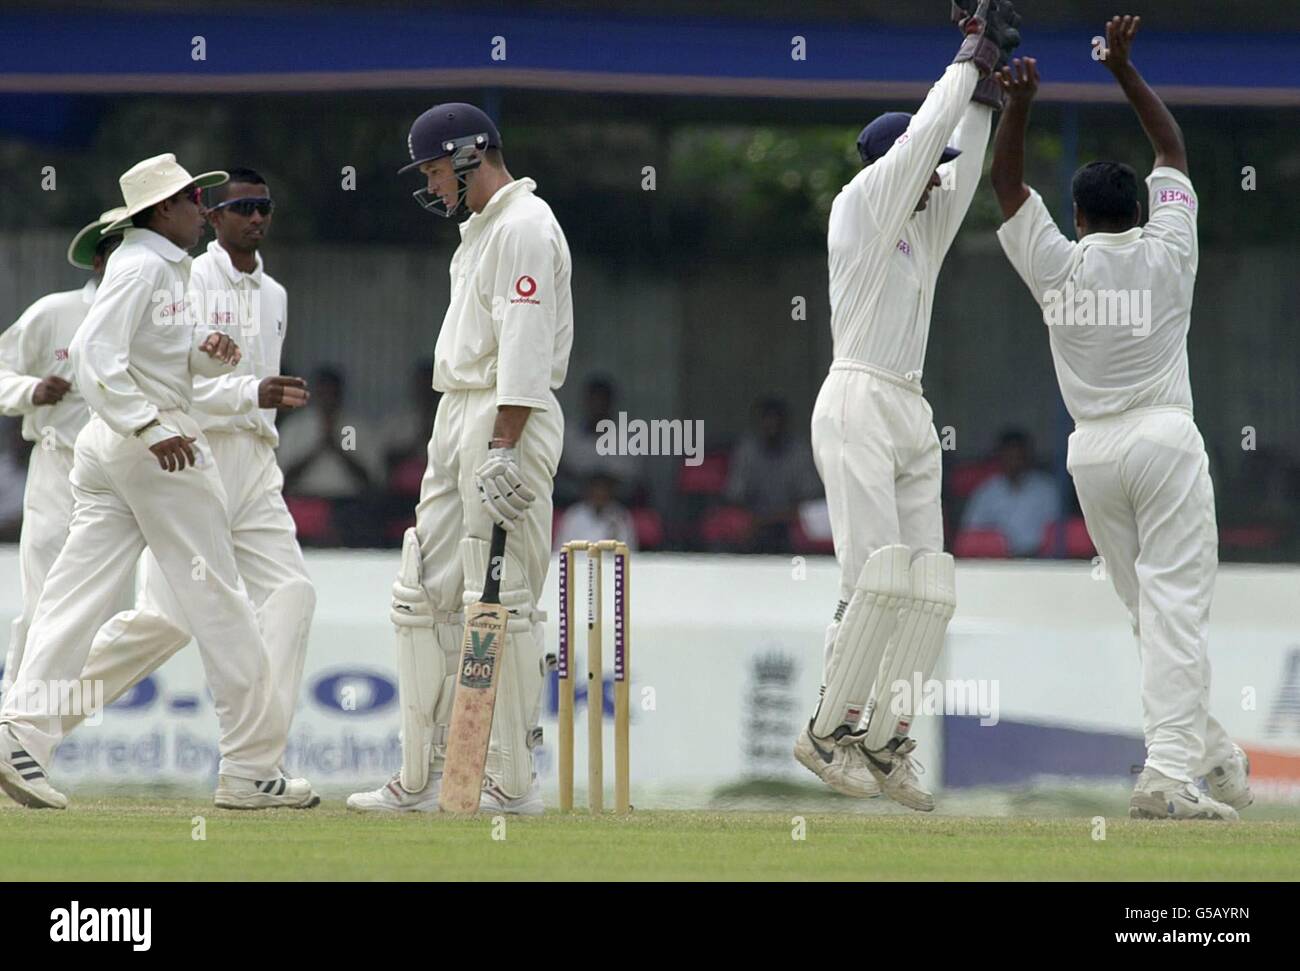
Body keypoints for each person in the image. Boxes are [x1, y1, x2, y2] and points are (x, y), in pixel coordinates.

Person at [990, 16, 1250, 820]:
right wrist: (1124, 70)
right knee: (1172, 611)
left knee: (1152, 614)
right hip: (1164, 437)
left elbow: (1006, 188)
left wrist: (1019, 105)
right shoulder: (1171, 248)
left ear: (1077, 216)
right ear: (1143, 209)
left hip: (1092, 455)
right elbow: (1171, 150)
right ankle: (1170, 774)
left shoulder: (1059, 265)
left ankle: (1210, 754)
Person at [0, 153, 315, 810]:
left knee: (75, 594)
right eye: (195, 202)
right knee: (222, 603)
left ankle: (19, 731)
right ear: (163, 209)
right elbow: (94, 356)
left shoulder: (160, 268)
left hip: (117, 451)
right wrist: (149, 424)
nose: (204, 212)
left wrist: (206, 353)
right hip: (159, 448)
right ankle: (252, 767)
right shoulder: (147, 264)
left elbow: (158, 350)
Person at [793, 1, 1020, 812]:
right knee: (874, 579)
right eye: (929, 165)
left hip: (909, 408)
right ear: (894, 166)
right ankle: (829, 730)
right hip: (855, 394)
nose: (940, 176)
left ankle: (889, 741)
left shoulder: (920, 228)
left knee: (928, 586)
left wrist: (989, 91)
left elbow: (956, 171)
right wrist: (968, 53)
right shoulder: (861, 206)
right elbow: (927, 138)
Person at [348, 102, 572, 815]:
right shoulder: (480, 233)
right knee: (425, 593)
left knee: (502, 596)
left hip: (507, 416)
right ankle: (425, 776)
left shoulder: (526, 227)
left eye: (437, 169)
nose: (433, 185)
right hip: (459, 413)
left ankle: (512, 781)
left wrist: (504, 444)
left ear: (473, 154)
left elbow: (526, 348)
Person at [0, 208, 127, 691]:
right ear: (98, 260)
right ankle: (12, 729)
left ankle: (54, 725)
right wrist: (32, 390)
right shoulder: (53, 313)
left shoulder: (151, 320)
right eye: (120, 252)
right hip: (58, 467)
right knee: (44, 600)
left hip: (122, 476)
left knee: (111, 610)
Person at [725, 396, 822, 553]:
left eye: (775, 421)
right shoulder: (747, 451)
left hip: (790, 522)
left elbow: (810, 501)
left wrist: (775, 518)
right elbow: (735, 497)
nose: (771, 427)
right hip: (754, 522)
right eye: (766, 421)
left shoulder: (799, 452)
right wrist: (756, 520)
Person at [960, 428, 1060, 556]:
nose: (1014, 461)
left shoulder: (1046, 489)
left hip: (1041, 560)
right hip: (998, 562)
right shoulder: (987, 491)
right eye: (1010, 456)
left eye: (1019, 456)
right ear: (1000, 457)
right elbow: (971, 533)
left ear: (1028, 456)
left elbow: (1056, 532)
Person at [554, 473, 637, 551]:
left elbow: (629, 550)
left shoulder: (620, 515)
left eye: (604, 490)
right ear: (589, 491)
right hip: (578, 564)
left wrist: (614, 536)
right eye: (597, 490)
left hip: (609, 564)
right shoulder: (574, 514)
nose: (600, 494)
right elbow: (561, 548)